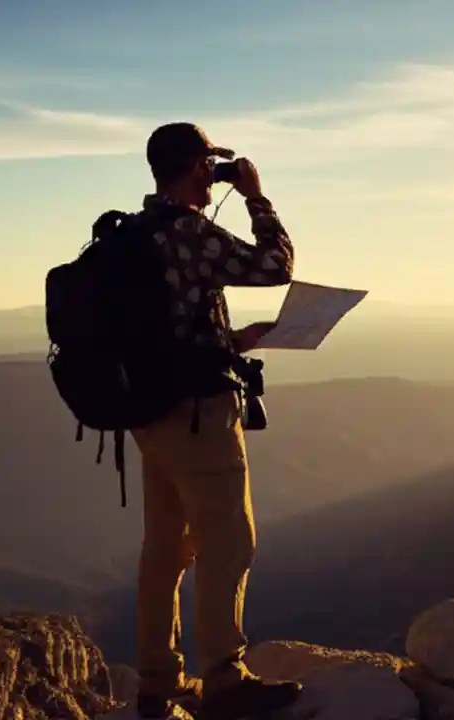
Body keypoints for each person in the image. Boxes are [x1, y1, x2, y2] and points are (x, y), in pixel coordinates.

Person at [129, 122, 302, 719]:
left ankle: (158, 681)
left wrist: (229, 339)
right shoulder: (189, 232)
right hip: (198, 415)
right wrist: (256, 196)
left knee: (166, 549)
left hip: (148, 414)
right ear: (196, 168)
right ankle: (226, 675)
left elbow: (166, 331)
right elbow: (275, 265)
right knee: (229, 541)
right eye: (211, 166)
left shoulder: (137, 234)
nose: (215, 176)